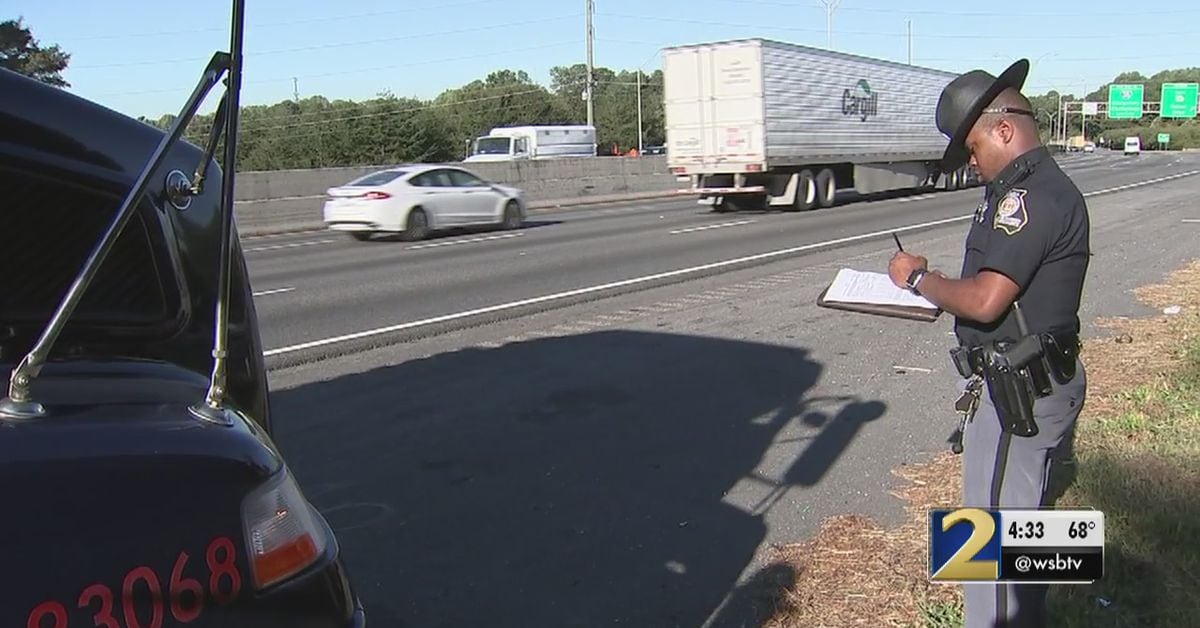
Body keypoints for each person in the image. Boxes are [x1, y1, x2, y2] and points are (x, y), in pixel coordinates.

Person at [887, 59, 1091, 627]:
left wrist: (916, 279)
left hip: (1018, 390)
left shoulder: (1029, 198)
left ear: (1005, 129)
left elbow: (984, 301)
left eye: (972, 150)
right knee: (1029, 529)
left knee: (990, 541)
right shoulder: (1029, 188)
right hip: (1033, 380)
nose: (972, 164)